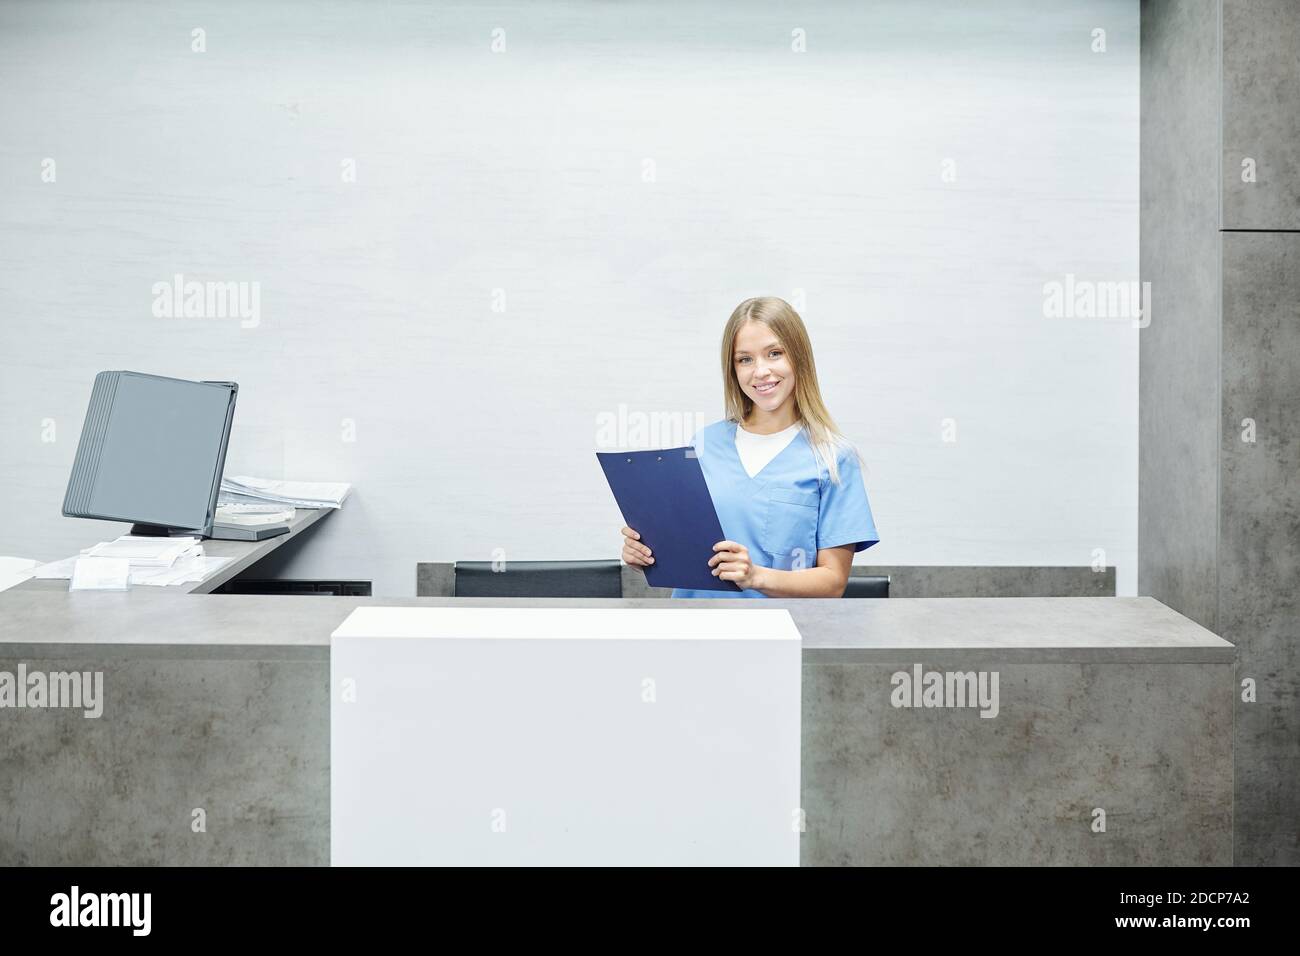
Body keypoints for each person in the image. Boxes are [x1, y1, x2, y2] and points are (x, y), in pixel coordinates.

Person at [621, 296, 879, 598]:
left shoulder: (833, 457)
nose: (760, 371)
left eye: (774, 353)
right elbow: (683, 547)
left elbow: (833, 582)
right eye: (745, 359)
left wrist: (757, 576)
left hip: (778, 635)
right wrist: (645, 555)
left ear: (799, 358)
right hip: (696, 630)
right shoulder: (703, 445)